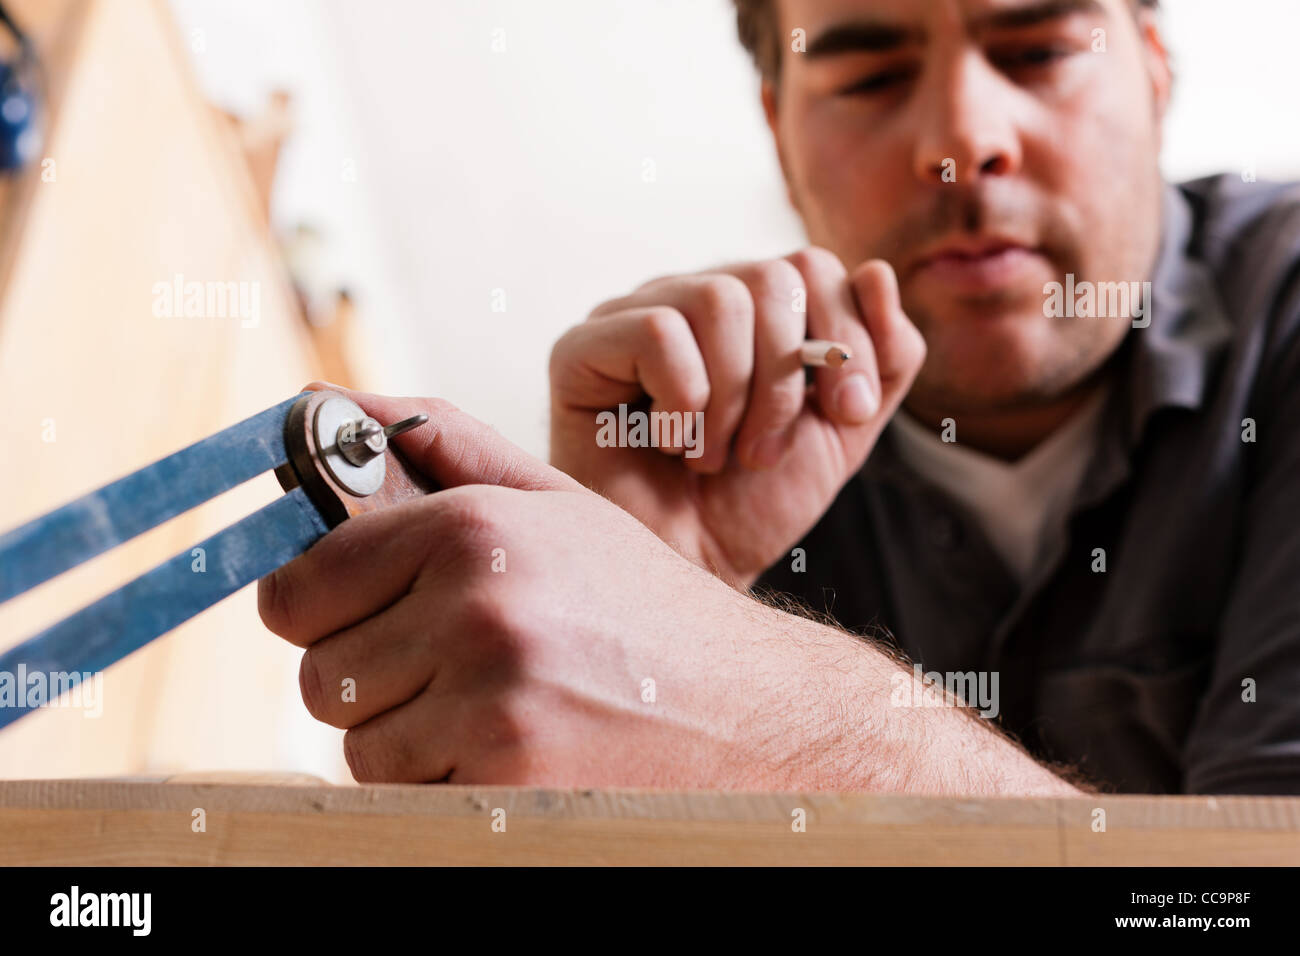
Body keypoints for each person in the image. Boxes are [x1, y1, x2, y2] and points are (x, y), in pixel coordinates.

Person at [259, 0, 1300, 794]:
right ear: (778, 129)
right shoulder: (707, 424)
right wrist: (664, 579)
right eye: (868, 73)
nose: (961, 137)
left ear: (1158, 73)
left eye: (1038, 49)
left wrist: (756, 694)